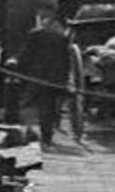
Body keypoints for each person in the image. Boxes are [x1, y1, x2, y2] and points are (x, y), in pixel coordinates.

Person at [16, 11, 76, 147]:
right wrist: (64, 79)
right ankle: (47, 137)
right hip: (55, 78)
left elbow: (26, 55)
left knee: (28, 103)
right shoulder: (62, 39)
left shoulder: (35, 35)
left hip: (37, 76)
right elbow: (66, 61)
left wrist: (20, 70)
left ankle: (29, 132)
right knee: (48, 107)